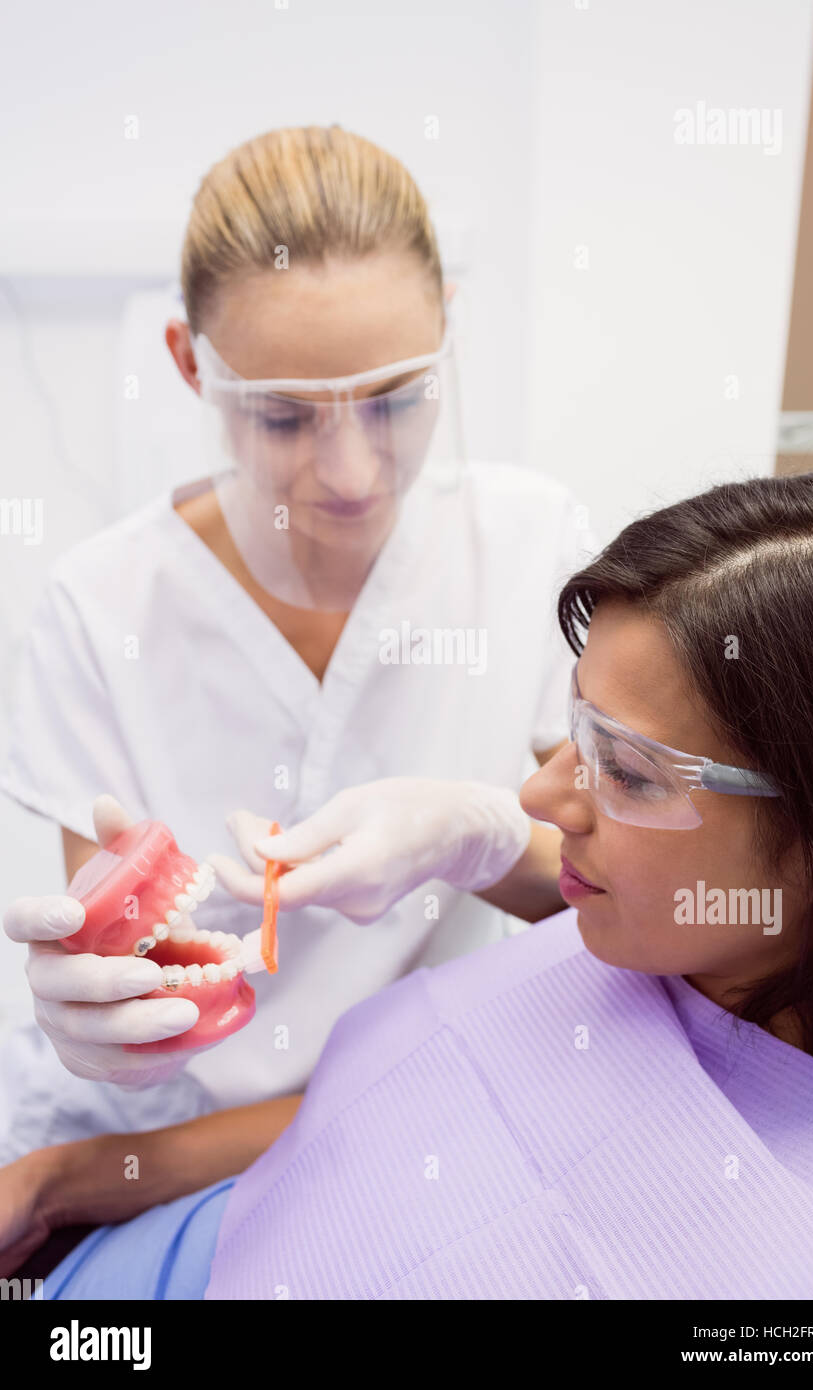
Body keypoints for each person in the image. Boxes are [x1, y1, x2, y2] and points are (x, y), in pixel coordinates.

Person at [22, 467, 813, 1300]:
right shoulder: (614, 938)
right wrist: (54, 1182)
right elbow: (347, 1127)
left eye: (631, 771)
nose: (539, 793)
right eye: (576, 726)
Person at [0, 127, 592, 1217]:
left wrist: (480, 833)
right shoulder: (101, 609)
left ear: (446, 325)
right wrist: (104, 1025)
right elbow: (122, 956)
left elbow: (610, 903)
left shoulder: (526, 546)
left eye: (398, 398)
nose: (353, 474)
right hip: (147, 1155)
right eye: (282, 416)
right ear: (190, 364)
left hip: (407, 1121)